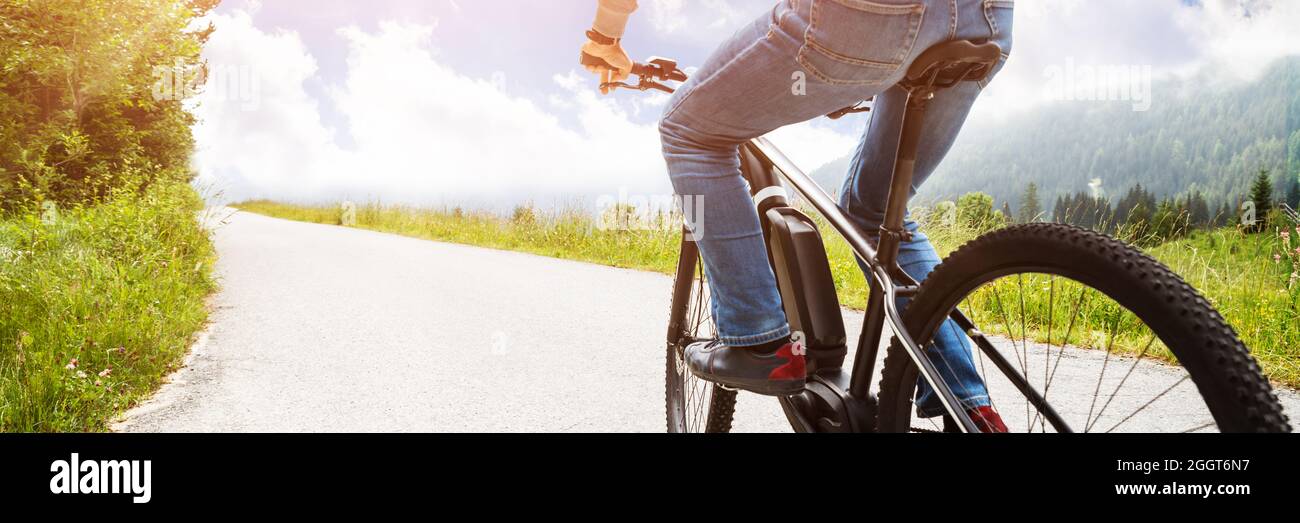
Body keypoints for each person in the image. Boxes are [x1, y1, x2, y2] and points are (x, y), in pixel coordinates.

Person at [582, 0, 1014, 432]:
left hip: (871, 18)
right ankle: (969, 405)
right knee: (875, 209)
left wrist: (607, 35)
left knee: (688, 130)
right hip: (986, 21)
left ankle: (758, 342)